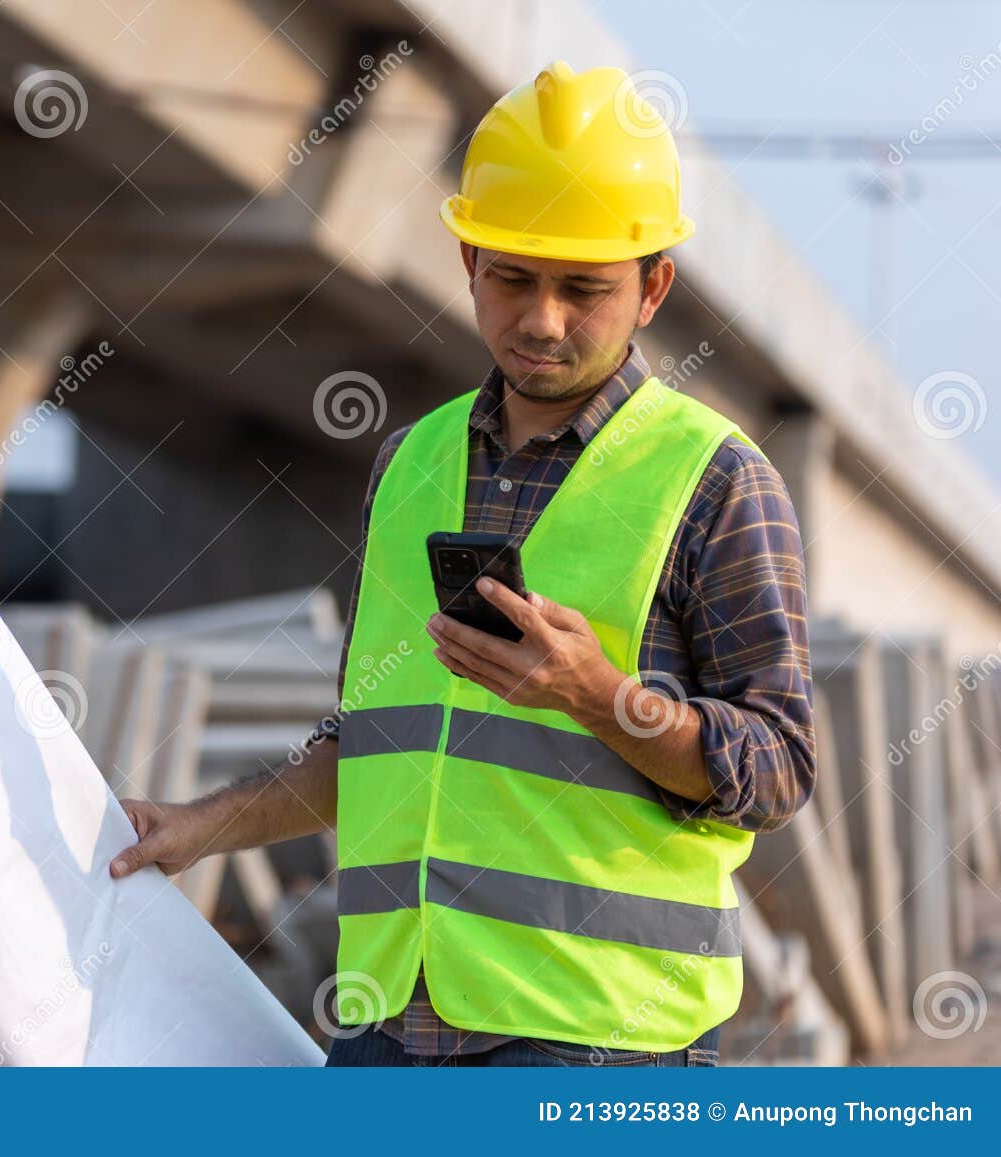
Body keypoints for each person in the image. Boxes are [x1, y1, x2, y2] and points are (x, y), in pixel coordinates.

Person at [109, 60, 815, 1067]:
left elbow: (780, 768)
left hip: (595, 1038)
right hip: (392, 1015)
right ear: (467, 257)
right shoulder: (411, 463)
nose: (541, 320)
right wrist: (196, 826)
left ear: (653, 285)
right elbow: (379, 741)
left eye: (584, 289)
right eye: (513, 277)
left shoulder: (716, 483)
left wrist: (598, 693)